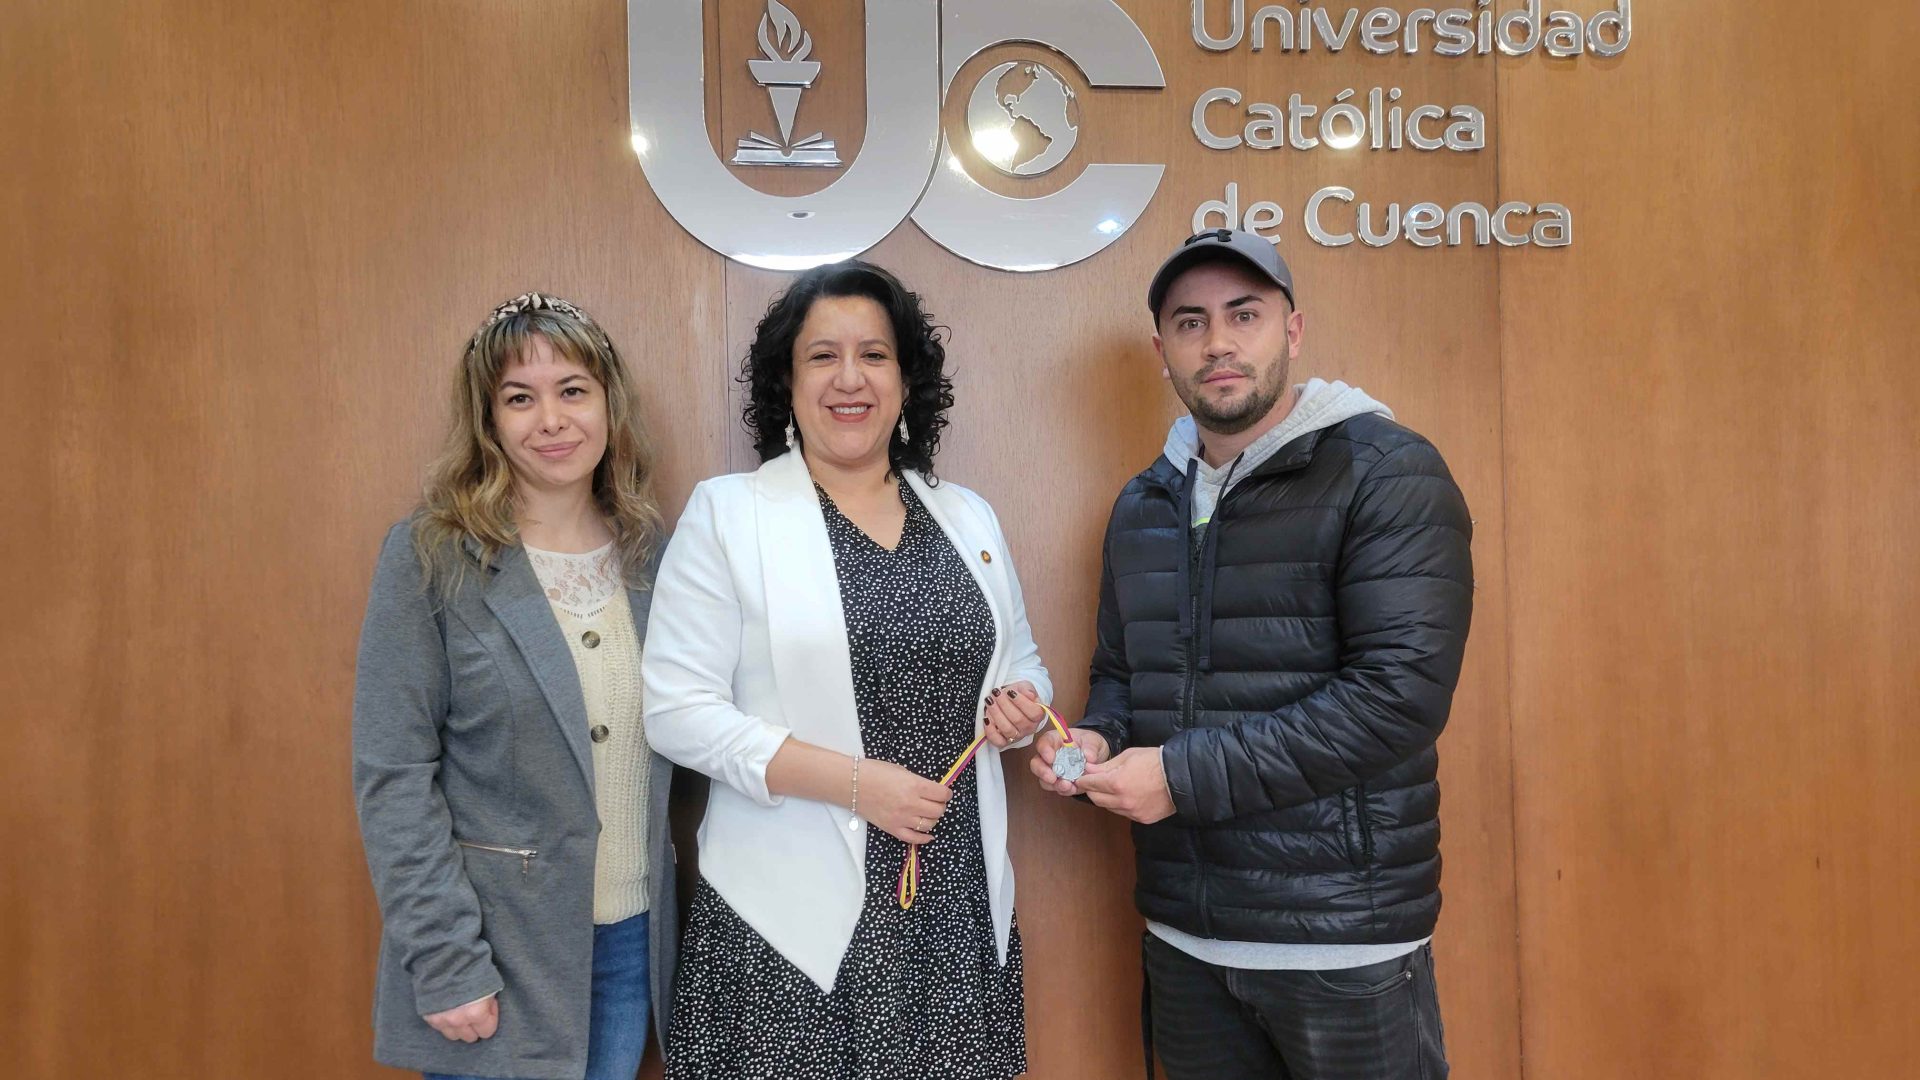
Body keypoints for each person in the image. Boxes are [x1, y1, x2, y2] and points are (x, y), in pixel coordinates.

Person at [1030, 229, 1472, 1080]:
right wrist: (1097, 743)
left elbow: (1397, 699)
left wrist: (1179, 777)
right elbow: (1124, 678)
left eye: (1245, 315)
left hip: (1344, 945)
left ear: (1293, 331)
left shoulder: (1388, 472)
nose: (1219, 342)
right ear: (1163, 351)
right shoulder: (1143, 502)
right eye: (1191, 323)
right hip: (1183, 937)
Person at [643, 260, 1051, 1080]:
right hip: (788, 917)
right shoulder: (730, 515)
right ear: (786, 384)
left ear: (905, 379)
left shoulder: (965, 513)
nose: (850, 378)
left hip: (953, 908)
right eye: (822, 356)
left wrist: (1024, 708)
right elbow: (676, 711)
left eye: (874, 353)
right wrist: (859, 785)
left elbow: (1022, 665)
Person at [352, 292, 676, 1080]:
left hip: (629, 943)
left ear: (608, 403)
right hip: (495, 955)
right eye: (520, 398)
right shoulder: (431, 556)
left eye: (573, 391)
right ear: (489, 419)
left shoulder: (655, 557)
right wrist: (444, 958)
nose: (552, 420)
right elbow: (393, 777)